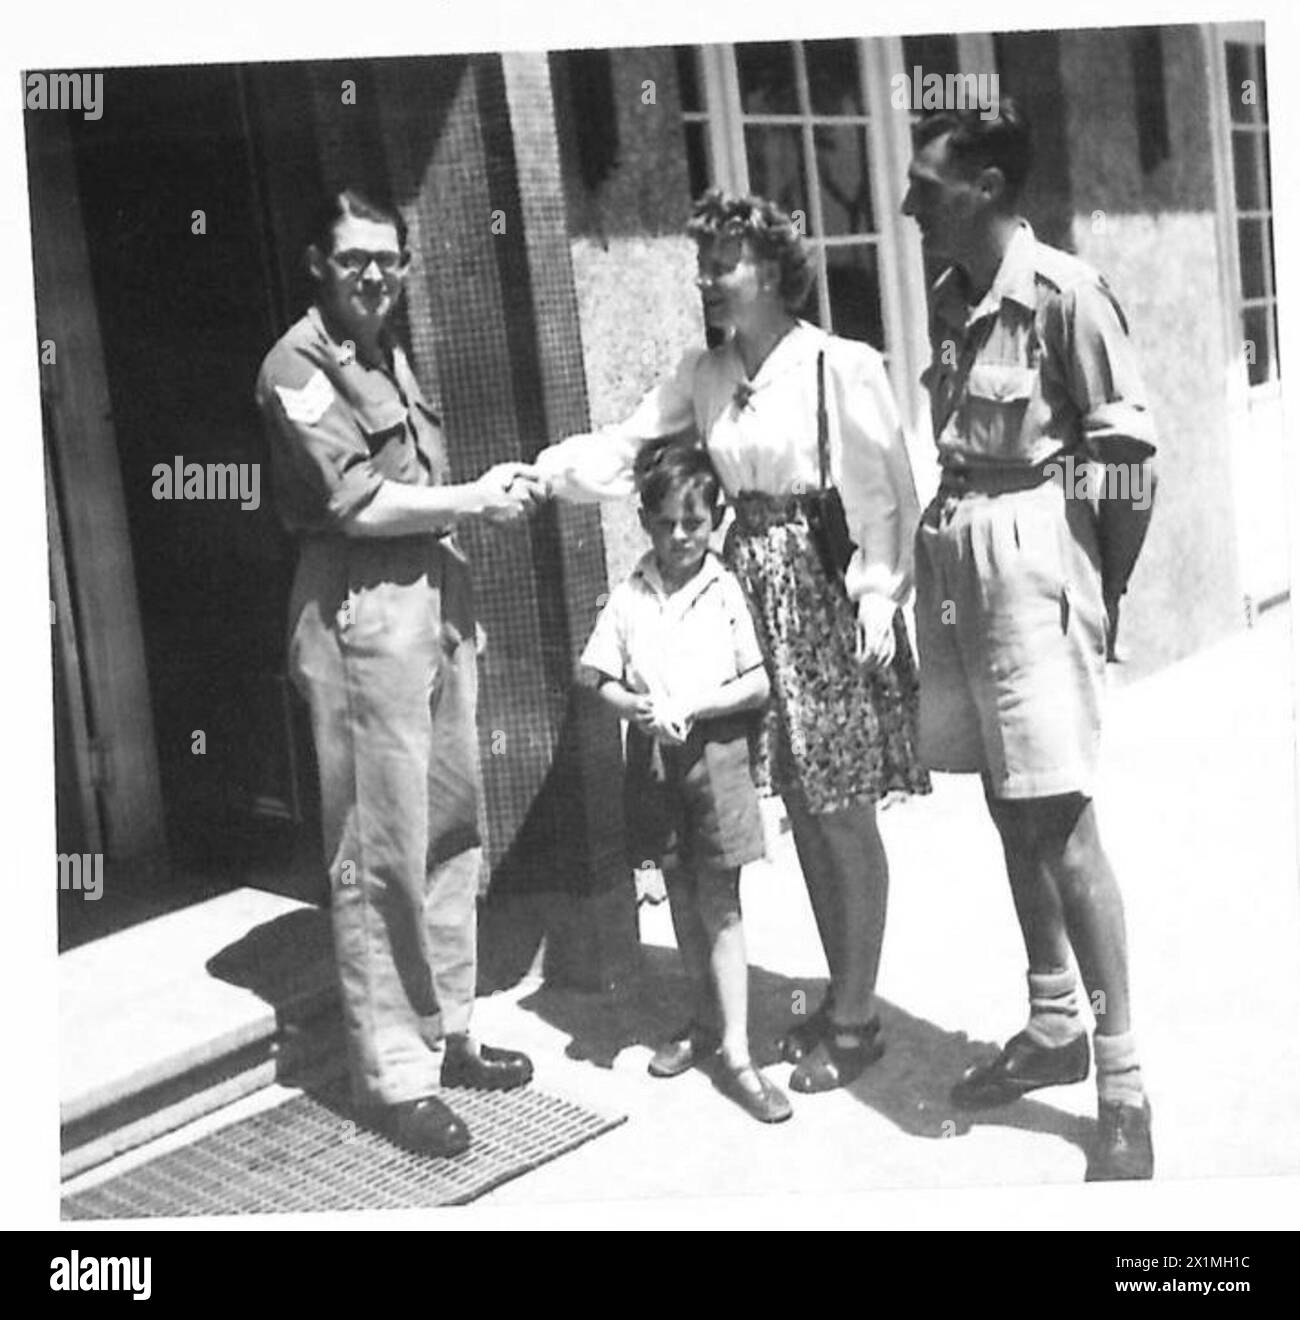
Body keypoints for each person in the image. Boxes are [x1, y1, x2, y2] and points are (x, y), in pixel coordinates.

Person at [538, 189, 930, 1094]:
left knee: (841, 813)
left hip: (828, 605)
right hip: (747, 605)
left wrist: (878, 597)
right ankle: (843, 1004)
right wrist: (541, 475)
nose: (708, 280)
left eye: (724, 262)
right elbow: (628, 450)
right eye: (702, 264)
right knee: (802, 806)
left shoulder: (842, 366)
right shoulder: (702, 376)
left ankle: (859, 1017)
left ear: (774, 270)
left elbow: (890, 498)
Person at [255, 188, 547, 1158]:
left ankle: (450, 1029)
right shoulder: (297, 364)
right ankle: (393, 1072)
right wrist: (475, 497)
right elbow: (357, 505)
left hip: (432, 594)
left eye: (389, 259)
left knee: (451, 826)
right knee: (378, 848)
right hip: (361, 607)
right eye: (354, 261)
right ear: (317, 264)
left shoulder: (385, 351)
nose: (375, 275)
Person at [901, 101, 1158, 1180]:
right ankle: (1052, 1025)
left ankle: (1123, 1080)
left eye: (929, 183)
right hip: (961, 560)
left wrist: (1093, 584)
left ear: (990, 189)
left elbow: (1128, 462)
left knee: (1061, 823)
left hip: (1034, 562)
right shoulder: (955, 297)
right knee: (1006, 802)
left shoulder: (1065, 297)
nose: (909, 201)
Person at [582, 439, 789, 1123]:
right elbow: (595, 675)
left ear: (715, 520)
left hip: (717, 758)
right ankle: (702, 1021)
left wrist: (696, 705)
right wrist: (633, 706)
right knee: (677, 891)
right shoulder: (631, 593)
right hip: (655, 763)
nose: (679, 537)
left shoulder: (723, 589)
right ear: (645, 521)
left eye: (693, 523)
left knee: (721, 902)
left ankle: (737, 1051)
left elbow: (758, 683)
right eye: (666, 522)